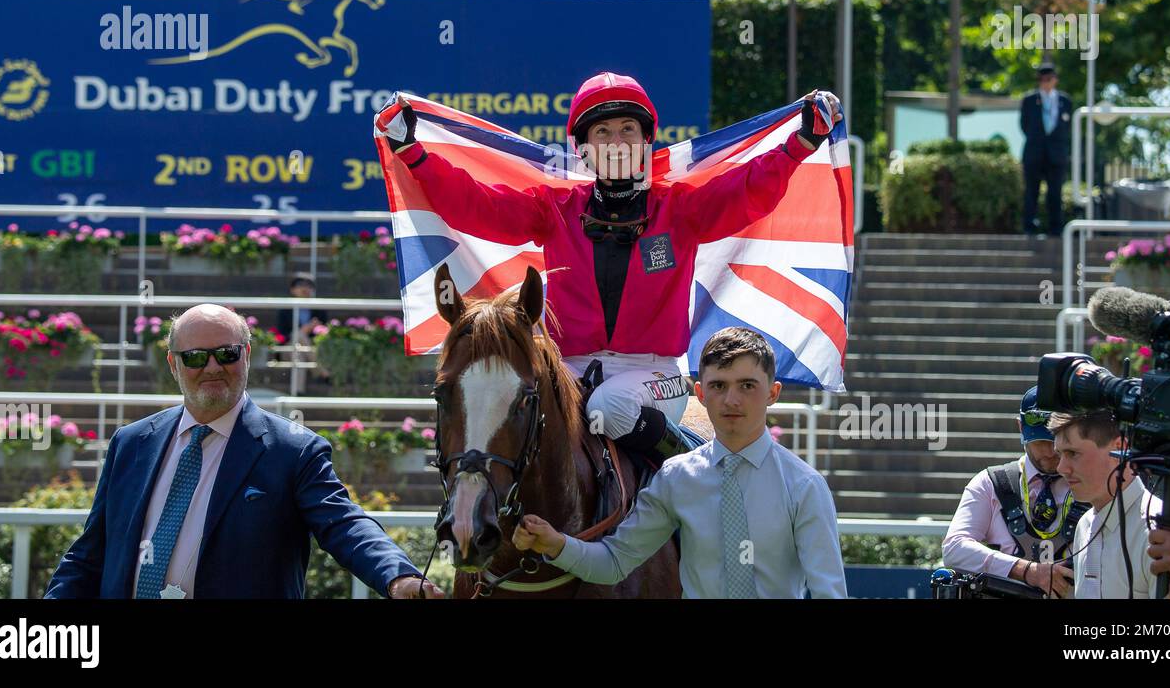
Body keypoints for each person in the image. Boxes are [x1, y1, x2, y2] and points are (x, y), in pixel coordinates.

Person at [384, 71, 841, 468]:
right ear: (583, 149)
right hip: (567, 370)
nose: (617, 141)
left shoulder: (680, 208)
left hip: (658, 377)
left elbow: (748, 188)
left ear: (646, 142)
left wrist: (800, 143)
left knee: (608, 407)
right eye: (603, 132)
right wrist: (412, 153)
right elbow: (477, 205)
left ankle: (694, 474)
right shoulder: (554, 208)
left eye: (628, 129)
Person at [46, 303, 439, 599]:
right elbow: (90, 554)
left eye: (227, 354)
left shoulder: (294, 451)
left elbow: (344, 525)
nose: (213, 367)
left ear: (246, 356)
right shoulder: (131, 443)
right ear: (173, 364)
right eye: (196, 357)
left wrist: (398, 576)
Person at [509, 327, 847, 598]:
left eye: (747, 385)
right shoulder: (676, 477)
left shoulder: (804, 486)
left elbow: (828, 593)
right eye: (718, 385)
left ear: (773, 393)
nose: (731, 399)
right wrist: (557, 544)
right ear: (699, 394)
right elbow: (615, 562)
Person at [942, 386, 1086, 597]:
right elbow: (954, 549)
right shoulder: (991, 483)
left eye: (1056, 442)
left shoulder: (1090, 483)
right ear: (1020, 428)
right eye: (1039, 442)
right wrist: (1026, 571)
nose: (1049, 452)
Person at [1049, 408, 1160, 599]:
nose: (1061, 468)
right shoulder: (1084, 524)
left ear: (1118, 448)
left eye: (1073, 453)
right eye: (1060, 454)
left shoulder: (1156, 530)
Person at [1019, 61, 1072, 236]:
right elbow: (1024, 125)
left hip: (1056, 155)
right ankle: (1029, 226)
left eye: (1049, 79)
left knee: (1055, 193)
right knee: (1031, 191)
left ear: (1055, 80)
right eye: (1042, 79)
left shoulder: (1065, 101)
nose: (1045, 83)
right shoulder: (1029, 100)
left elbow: (1067, 127)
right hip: (1034, 153)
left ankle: (1056, 228)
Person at [275, 272, 328, 344]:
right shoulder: (285, 310)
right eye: (300, 284)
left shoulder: (319, 310)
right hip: (290, 349)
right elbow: (282, 336)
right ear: (292, 289)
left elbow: (324, 336)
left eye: (309, 285)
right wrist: (304, 330)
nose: (305, 288)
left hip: (312, 349)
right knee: (299, 336)